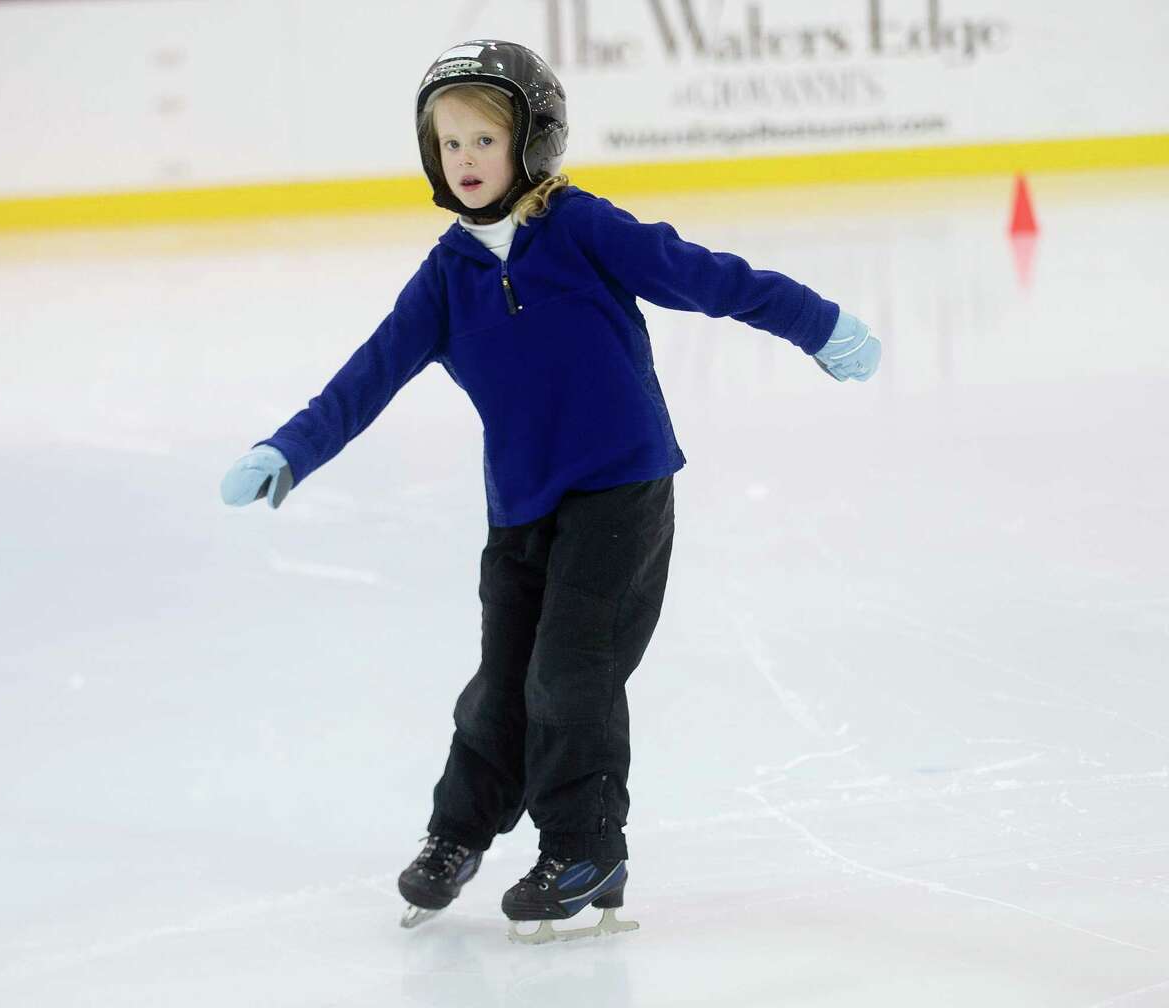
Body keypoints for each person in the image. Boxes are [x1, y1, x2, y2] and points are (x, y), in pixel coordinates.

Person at [220, 39, 881, 945]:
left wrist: (822, 325)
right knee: (501, 687)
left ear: (534, 138)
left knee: (571, 676)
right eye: (449, 144)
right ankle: (457, 835)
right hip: (522, 506)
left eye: (485, 140)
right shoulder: (448, 276)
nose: (466, 161)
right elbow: (365, 377)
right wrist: (287, 449)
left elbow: (705, 276)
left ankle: (584, 848)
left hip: (621, 488)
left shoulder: (582, 228)